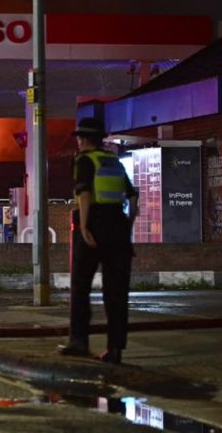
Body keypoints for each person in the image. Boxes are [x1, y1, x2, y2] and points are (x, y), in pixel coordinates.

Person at [59, 117, 139, 364]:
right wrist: (128, 225)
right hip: (118, 225)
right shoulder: (113, 161)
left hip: (95, 224)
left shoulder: (84, 160)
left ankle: (79, 341)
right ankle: (115, 349)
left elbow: (84, 193)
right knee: (116, 292)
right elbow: (133, 197)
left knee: (80, 285)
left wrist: (83, 226)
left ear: (83, 140)